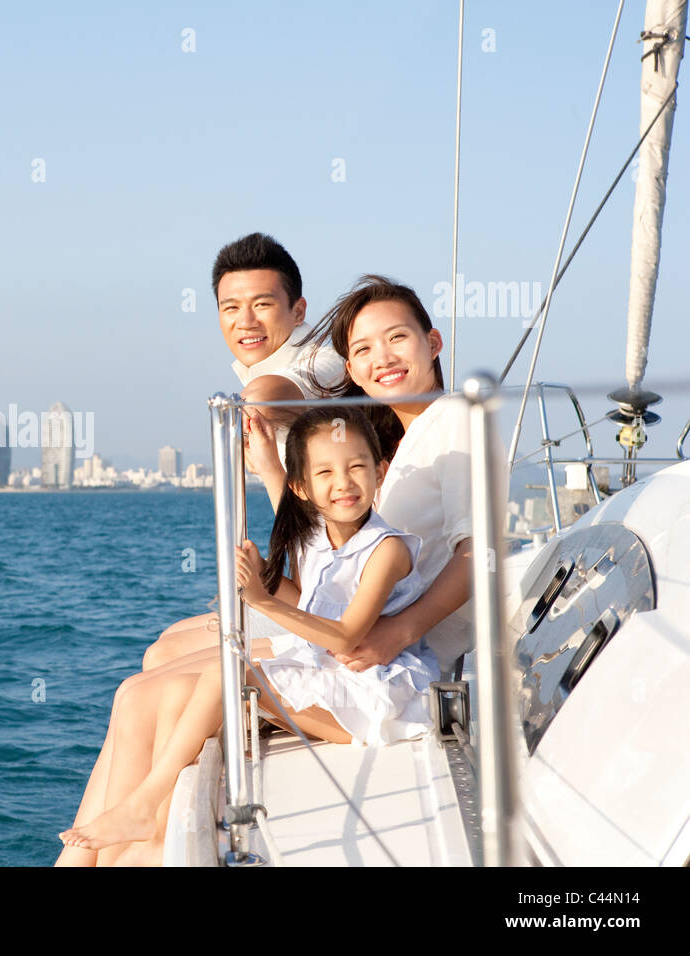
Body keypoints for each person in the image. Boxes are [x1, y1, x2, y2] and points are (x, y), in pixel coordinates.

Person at [55, 274, 478, 866]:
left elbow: (475, 553)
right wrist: (272, 476)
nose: (382, 357)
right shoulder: (401, 439)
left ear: (433, 342)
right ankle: (93, 851)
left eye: (397, 338)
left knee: (154, 692)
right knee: (144, 683)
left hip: (388, 653)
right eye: (362, 349)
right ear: (350, 370)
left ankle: (138, 833)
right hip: (348, 633)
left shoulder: (456, 422)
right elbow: (330, 543)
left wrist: (396, 632)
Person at [58, 406, 436, 852]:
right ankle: (83, 854)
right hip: (323, 667)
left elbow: (345, 636)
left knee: (225, 672)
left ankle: (145, 806)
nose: (344, 483)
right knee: (134, 690)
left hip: (373, 699)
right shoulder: (324, 535)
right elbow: (312, 594)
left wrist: (259, 600)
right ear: (303, 487)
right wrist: (265, 577)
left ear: (381, 470)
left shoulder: (387, 549)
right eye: (326, 472)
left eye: (357, 467)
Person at [140, 232, 343, 673]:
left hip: (341, 600)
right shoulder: (267, 363)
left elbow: (267, 395)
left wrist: (248, 414)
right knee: (166, 641)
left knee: (163, 658)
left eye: (262, 304)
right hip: (318, 584)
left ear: (299, 310)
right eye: (231, 308)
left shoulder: (320, 362)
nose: (245, 321)